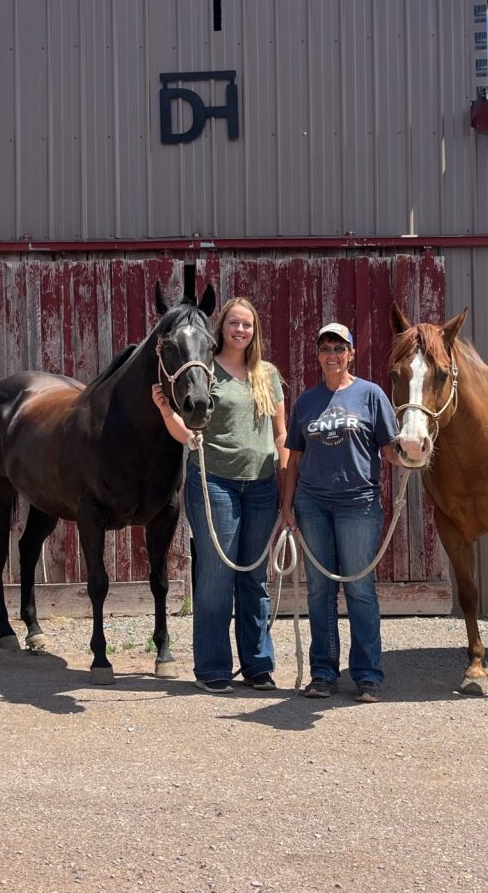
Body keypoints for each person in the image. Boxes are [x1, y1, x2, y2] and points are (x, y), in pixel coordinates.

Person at [152, 297, 287, 694]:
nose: (240, 330)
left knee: (254, 577)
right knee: (216, 576)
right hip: (215, 483)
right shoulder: (206, 369)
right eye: (233, 323)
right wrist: (166, 413)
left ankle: (257, 665)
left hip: (262, 485)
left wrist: (285, 479)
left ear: (254, 330)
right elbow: (189, 434)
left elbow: (281, 432)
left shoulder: (267, 374)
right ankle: (212, 667)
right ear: (221, 327)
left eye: (247, 324)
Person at [281, 322, 400, 703]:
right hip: (312, 504)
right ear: (318, 356)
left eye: (339, 348)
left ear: (351, 354)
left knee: (359, 589)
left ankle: (367, 675)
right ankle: (323, 674)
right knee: (320, 590)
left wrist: (413, 456)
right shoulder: (306, 402)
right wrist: (287, 506)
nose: (332, 354)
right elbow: (294, 459)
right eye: (325, 348)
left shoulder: (371, 395)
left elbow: (389, 450)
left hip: (358, 505)